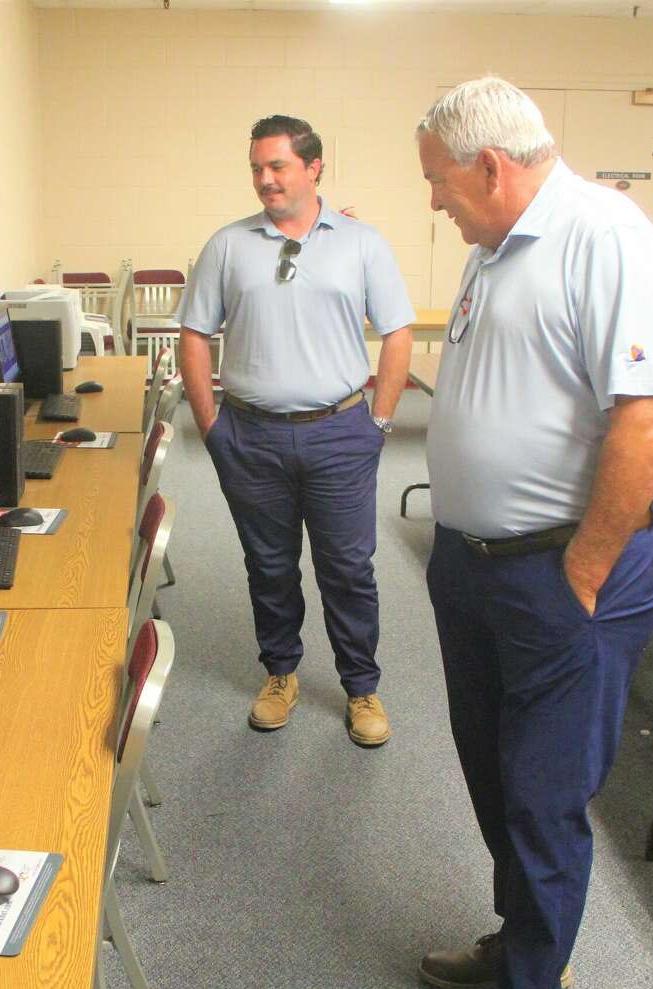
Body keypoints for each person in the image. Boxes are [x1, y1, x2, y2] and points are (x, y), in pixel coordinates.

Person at [415, 78, 653, 989]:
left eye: (440, 181)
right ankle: (528, 934)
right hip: (477, 566)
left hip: (563, 574)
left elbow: (650, 422)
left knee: (542, 795)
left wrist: (579, 574)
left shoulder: (604, 236)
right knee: (494, 772)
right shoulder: (495, 246)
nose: (435, 200)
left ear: (492, 166)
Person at [175, 115, 414, 745]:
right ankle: (280, 673)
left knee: (348, 568)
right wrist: (211, 424)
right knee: (269, 565)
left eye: (277, 166)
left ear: (314, 169)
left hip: (339, 434)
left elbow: (398, 332)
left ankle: (361, 686)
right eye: (256, 167)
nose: (264, 179)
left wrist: (378, 422)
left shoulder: (363, 243)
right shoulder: (227, 245)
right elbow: (194, 336)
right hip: (249, 437)